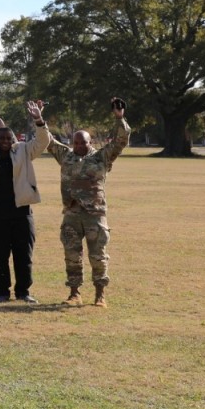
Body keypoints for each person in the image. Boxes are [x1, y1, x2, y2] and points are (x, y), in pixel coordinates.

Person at [45, 97, 131, 307]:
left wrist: (119, 118)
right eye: (76, 142)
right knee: (72, 255)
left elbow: (121, 141)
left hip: (94, 216)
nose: (79, 146)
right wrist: (39, 119)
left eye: (83, 142)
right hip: (72, 215)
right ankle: (74, 293)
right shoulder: (65, 156)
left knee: (98, 256)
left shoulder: (102, 157)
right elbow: (46, 140)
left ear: (90, 142)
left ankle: (100, 294)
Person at [0, 100, 52, 304]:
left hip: (22, 212)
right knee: (0, 256)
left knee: (24, 255)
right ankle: (2, 292)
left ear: (12, 139)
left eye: (8, 138)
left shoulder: (23, 150)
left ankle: (23, 291)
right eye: (2, 138)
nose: (6, 141)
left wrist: (39, 120)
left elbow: (43, 142)